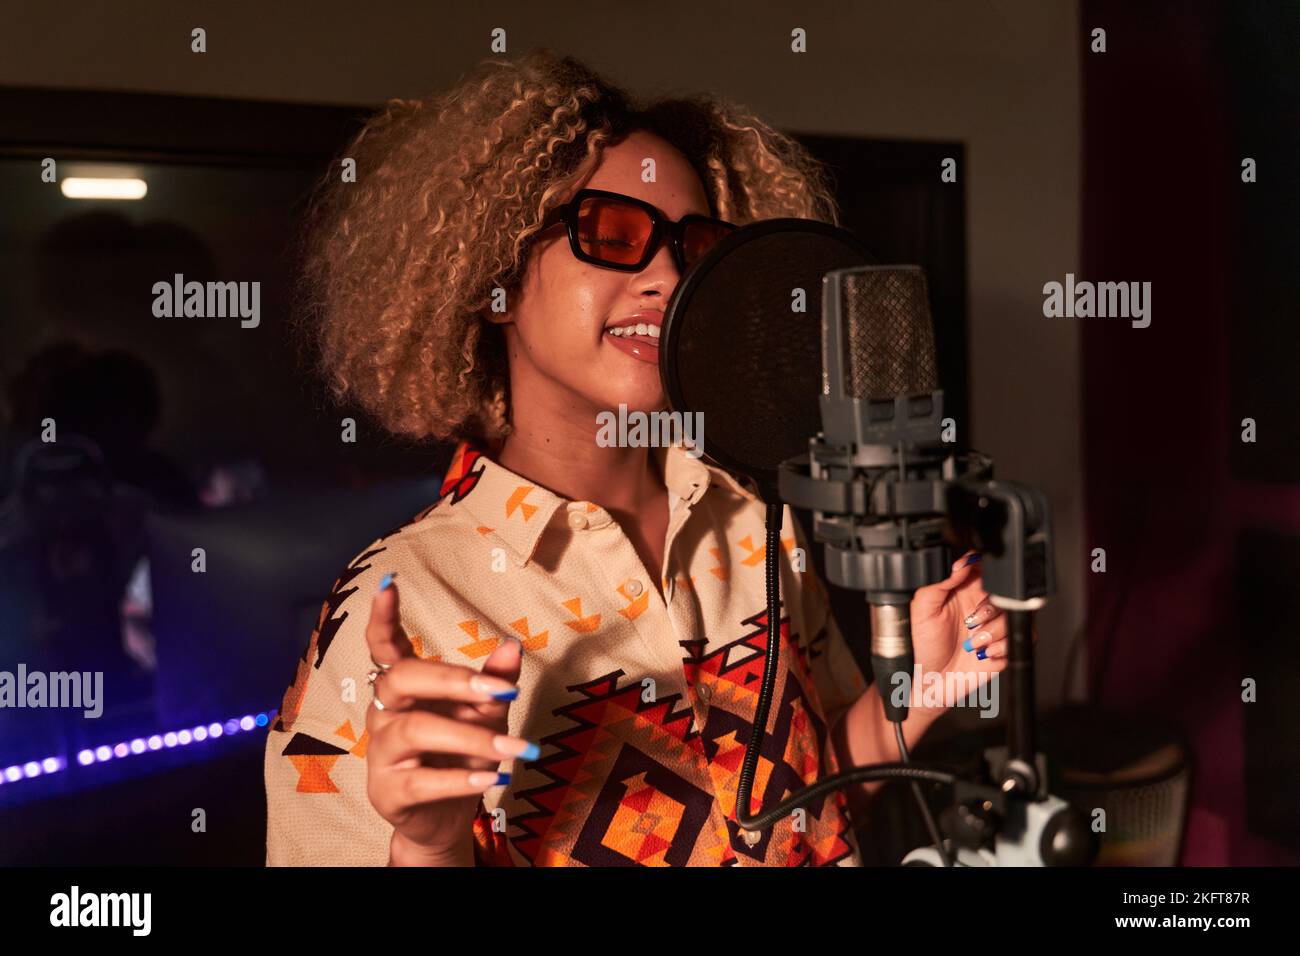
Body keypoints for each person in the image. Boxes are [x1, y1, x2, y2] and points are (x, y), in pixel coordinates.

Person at [264, 50, 1012, 867]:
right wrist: (429, 841)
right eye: (612, 233)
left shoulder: (757, 516)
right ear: (492, 277)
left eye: (696, 249)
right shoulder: (409, 603)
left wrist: (922, 692)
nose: (666, 276)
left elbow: (813, 805)